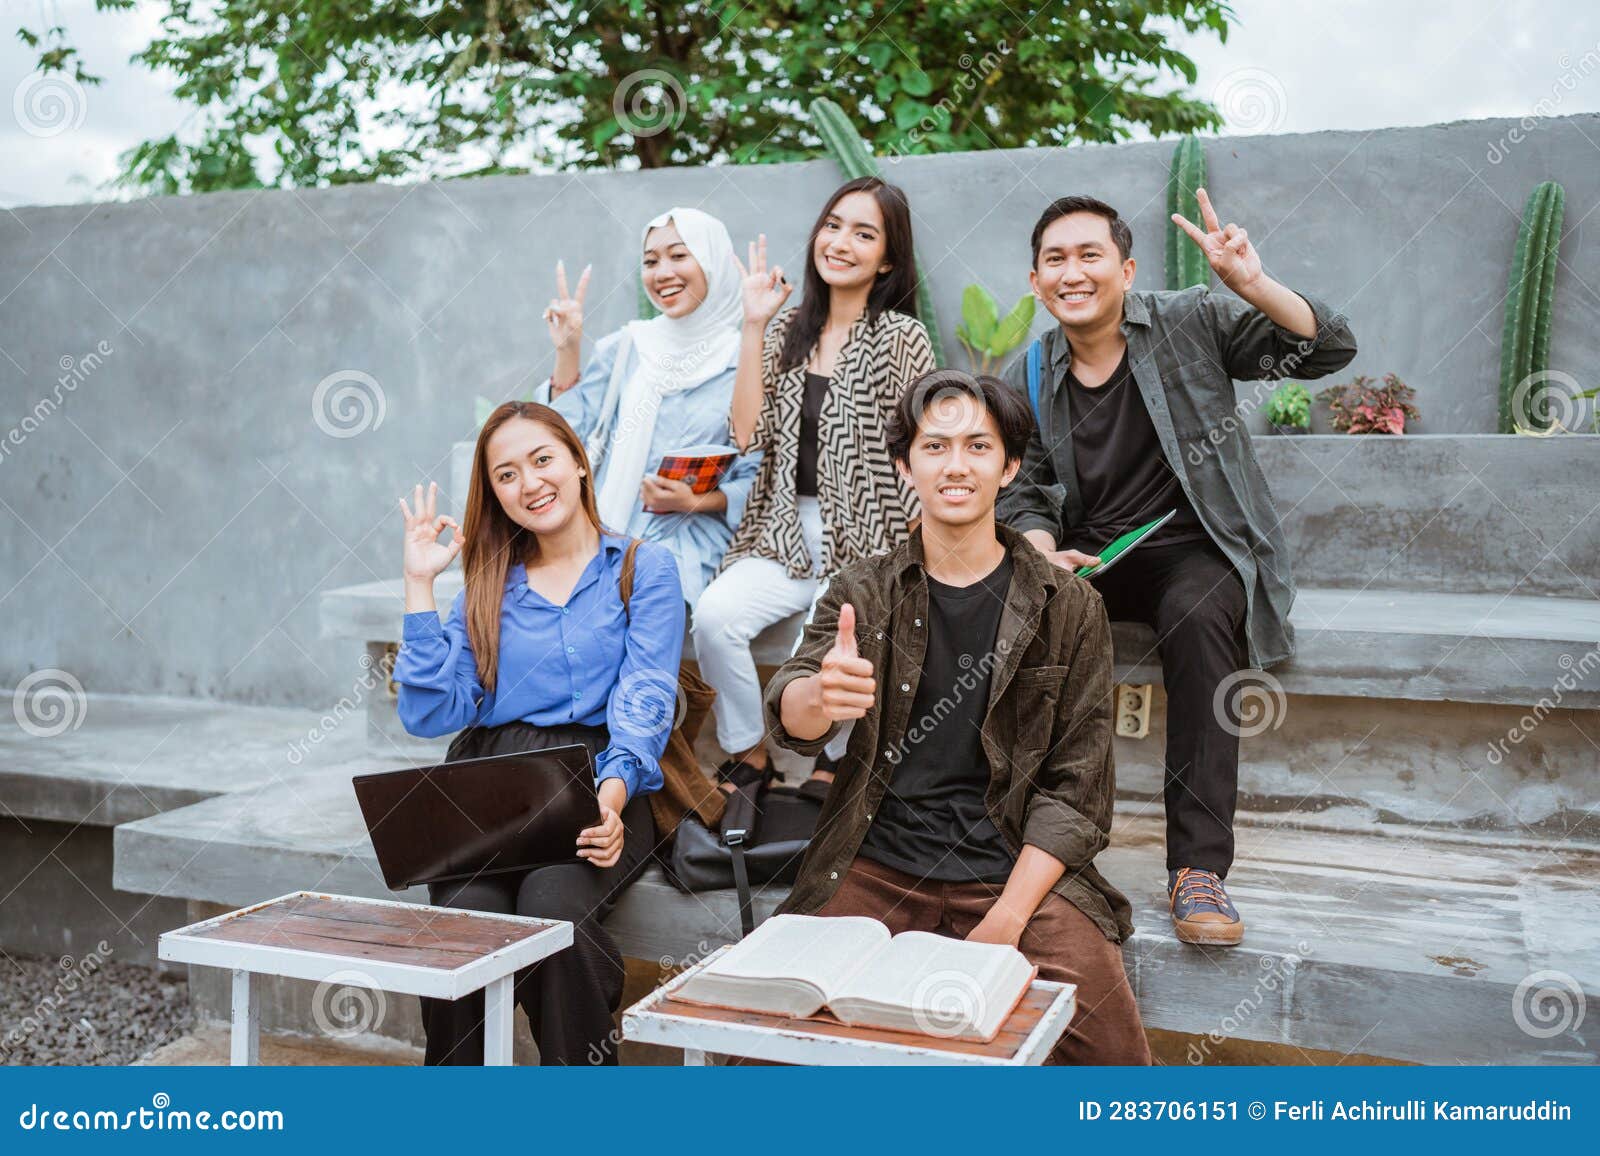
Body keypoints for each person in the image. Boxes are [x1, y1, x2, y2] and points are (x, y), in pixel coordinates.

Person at [996, 191, 1358, 946]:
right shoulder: (1026, 371)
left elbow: (1328, 349)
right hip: (1091, 555)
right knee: (1017, 610)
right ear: (1035, 281)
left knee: (1198, 616)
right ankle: (1029, 848)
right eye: (1055, 260)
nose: (1072, 272)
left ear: (1126, 270)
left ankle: (1197, 869)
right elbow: (1023, 487)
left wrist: (1253, 284)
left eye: (1090, 255)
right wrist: (1040, 549)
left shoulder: (1189, 321)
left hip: (1197, 547)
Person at [762, 370, 1150, 1065]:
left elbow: (1078, 790)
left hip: (1016, 871)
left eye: (978, 446)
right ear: (905, 466)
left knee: (1113, 1060)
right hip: (875, 862)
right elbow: (794, 706)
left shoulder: (1068, 605)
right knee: (768, 1048)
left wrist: (1008, 918)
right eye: (935, 447)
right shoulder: (863, 590)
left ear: (1010, 466)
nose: (956, 465)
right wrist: (821, 696)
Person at [393, 402, 684, 1065]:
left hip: (598, 774)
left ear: (579, 462)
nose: (529, 483)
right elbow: (429, 713)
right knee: (462, 923)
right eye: (506, 474)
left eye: (542, 459)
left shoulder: (642, 567)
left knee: (552, 912)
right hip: (489, 785)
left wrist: (611, 799)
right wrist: (418, 585)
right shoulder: (488, 584)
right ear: (495, 493)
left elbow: (645, 698)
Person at [693, 176, 937, 795]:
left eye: (864, 234)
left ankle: (834, 761)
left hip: (869, 538)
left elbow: (921, 445)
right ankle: (748, 751)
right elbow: (746, 435)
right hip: (782, 534)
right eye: (833, 225)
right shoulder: (785, 331)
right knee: (714, 617)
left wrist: (922, 557)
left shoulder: (900, 337)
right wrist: (753, 325)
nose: (841, 242)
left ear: (887, 259)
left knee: (825, 642)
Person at [539, 205, 758, 605]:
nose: (662, 273)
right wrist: (568, 350)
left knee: (642, 597)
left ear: (712, 261)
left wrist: (694, 501)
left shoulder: (745, 359)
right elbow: (563, 439)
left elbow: (758, 473)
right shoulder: (626, 347)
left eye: (679, 255)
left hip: (691, 545)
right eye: (651, 261)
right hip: (600, 536)